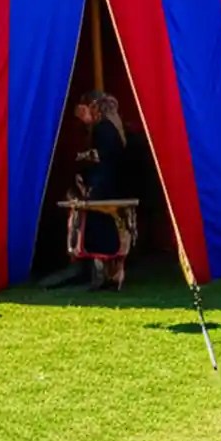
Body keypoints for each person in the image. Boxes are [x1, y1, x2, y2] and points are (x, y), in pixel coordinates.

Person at [69, 90, 133, 291]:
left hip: (103, 186)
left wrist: (82, 157)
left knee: (99, 228)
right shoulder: (112, 127)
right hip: (111, 184)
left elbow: (102, 156)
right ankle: (108, 273)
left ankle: (102, 274)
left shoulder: (103, 129)